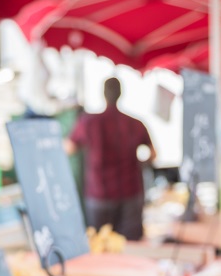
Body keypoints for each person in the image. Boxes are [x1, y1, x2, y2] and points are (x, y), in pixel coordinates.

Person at [64, 77, 156, 241]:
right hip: (130, 191)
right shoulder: (135, 123)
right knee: (131, 245)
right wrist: (140, 163)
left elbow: (69, 148)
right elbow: (153, 154)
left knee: (100, 244)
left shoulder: (88, 122)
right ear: (121, 93)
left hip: (99, 193)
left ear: (103, 94)